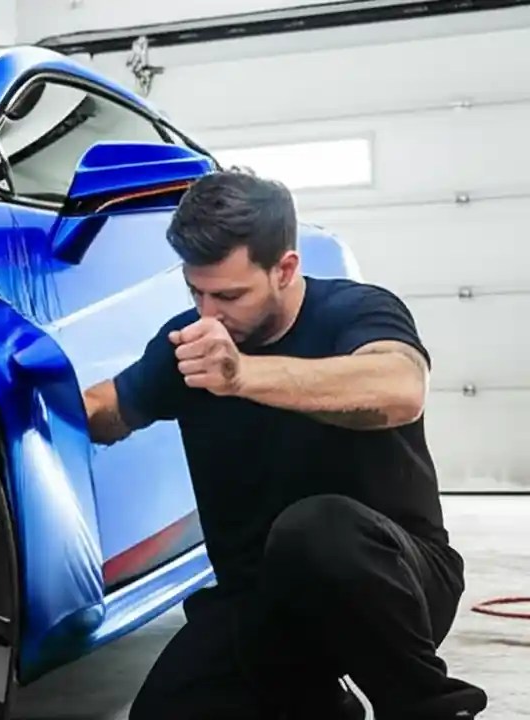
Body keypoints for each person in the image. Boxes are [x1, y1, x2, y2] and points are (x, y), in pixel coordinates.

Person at [81, 170, 487, 719]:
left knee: (315, 530)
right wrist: (19, 391)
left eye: (228, 295)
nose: (209, 313)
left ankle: (429, 708)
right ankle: (319, 707)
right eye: (195, 291)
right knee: (165, 710)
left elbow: (400, 389)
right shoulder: (190, 345)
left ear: (285, 268)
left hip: (392, 579)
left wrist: (243, 376)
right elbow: (109, 411)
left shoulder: (358, 311)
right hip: (261, 599)